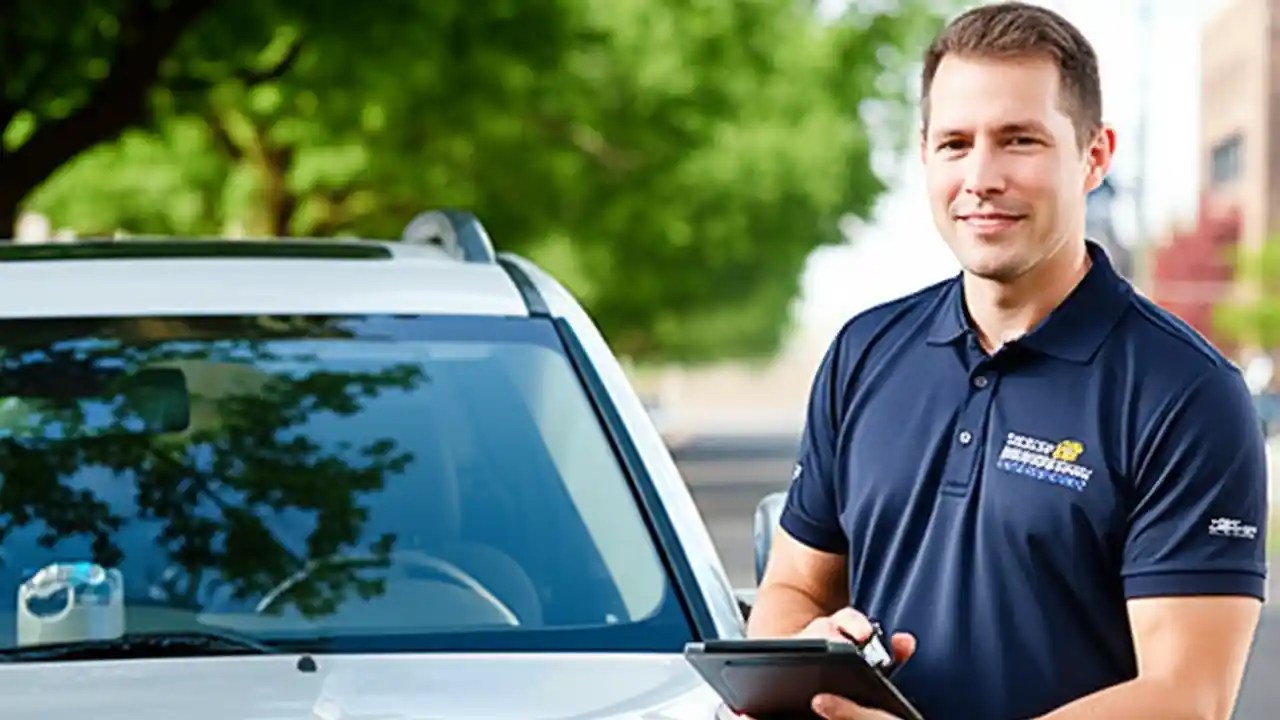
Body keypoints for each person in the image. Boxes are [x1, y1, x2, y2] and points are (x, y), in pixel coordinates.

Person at [745, 3, 1269, 719]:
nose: (982, 176)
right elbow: (794, 587)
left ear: (1095, 155)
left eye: (1019, 140)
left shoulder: (1184, 392)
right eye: (955, 143)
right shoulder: (864, 353)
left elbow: (1187, 696)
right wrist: (804, 653)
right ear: (925, 153)